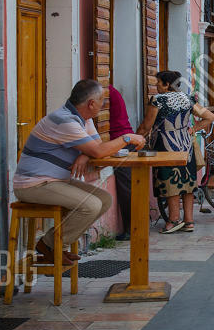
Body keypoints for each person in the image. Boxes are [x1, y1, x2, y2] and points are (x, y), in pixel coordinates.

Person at [12, 79, 144, 264]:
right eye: (102, 101)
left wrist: (84, 154)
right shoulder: (64, 120)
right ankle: (49, 245)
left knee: (104, 200)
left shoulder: (84, 119)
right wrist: (127, 138)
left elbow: (97, 149)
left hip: (55, 181)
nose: (104, 105)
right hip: (34, 184)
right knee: (90, 205)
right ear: (91, 103)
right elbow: (99, 151)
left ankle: (56, 245)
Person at [139, 70, 214, 234]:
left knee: (170, 182)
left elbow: (146, 126)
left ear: (166, 84)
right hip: (186, 147)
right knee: (188, 184)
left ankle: (173, 220)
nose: (156, 86)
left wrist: (134, 140)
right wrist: (193, 128)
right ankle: (189, 221)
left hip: (166, 146)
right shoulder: (187, 99)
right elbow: (209, 117)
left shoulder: (158, 101)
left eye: (158, 82)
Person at [107, 84, 135, 240]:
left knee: (127, 189)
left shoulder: (106, 92)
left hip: (120, 141)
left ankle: (131, 229)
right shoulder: (111, 90)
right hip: (124, 139)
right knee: (129, 186)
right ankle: (133, 227)